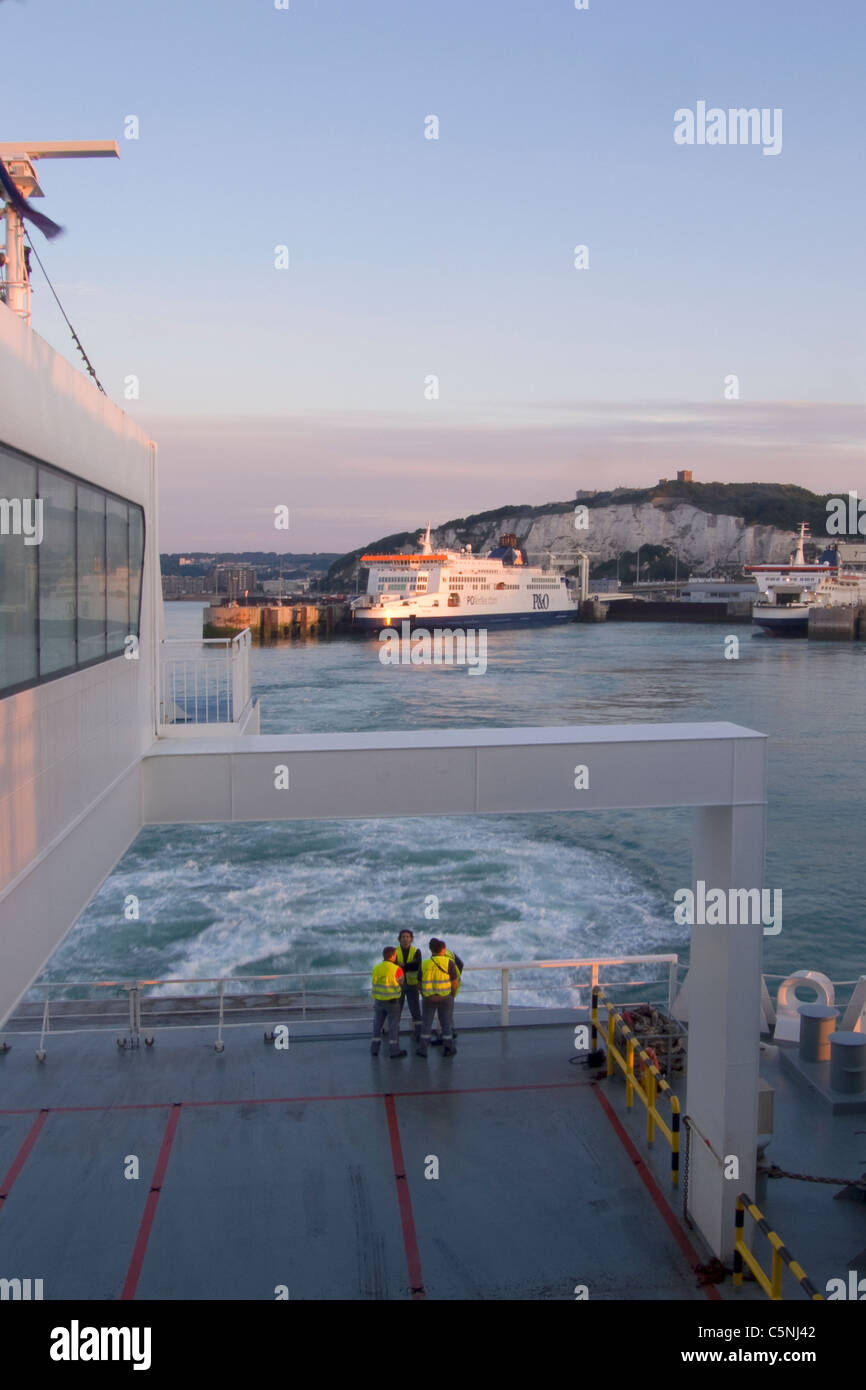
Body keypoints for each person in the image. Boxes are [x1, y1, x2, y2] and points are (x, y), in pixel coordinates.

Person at [417, 938, 460, 1058]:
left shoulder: (425, 963)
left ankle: (423, 1050)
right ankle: (448, 1048)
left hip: (428, 998)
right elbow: (454, 982)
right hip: (445, 997)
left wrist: (423, 994)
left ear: (431, 949)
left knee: (426, 1023)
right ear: (443, 949)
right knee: (446, 1023)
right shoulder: (448, 963)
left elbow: (419, 983)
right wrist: (452, 994)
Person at [370, 948, 407, 1058]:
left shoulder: (376, 967)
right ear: (393, 956)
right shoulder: (397, 969)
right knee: (393, 1026)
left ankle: (374, 1048)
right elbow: (401, 983)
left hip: (378, 1001)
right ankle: (394, 1050)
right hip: (392, 1002)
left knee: (377, 1024)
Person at [430, 940, 463, 1045]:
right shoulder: (450, 953)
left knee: (445, 1015)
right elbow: (460, 964)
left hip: (446, 988)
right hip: (453, 986)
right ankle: (451, 1032)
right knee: (448, 1013)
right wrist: (457, 976)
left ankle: (446, 1037)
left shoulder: (439, 957)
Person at [394, 929, 423, 1044]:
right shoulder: (394, 951)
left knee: (415, 1010)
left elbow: (417, 966)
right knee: (397, 1010)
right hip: (398, 985)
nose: (405, 939)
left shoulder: (416, 951)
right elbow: (393, 966)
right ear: (399, 939)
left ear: (411, 939)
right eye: (403, 937)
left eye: (407, 937)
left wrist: (403, 966)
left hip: (412, 985)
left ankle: (418, 1033)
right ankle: (394, 1033)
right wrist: (409, 965)